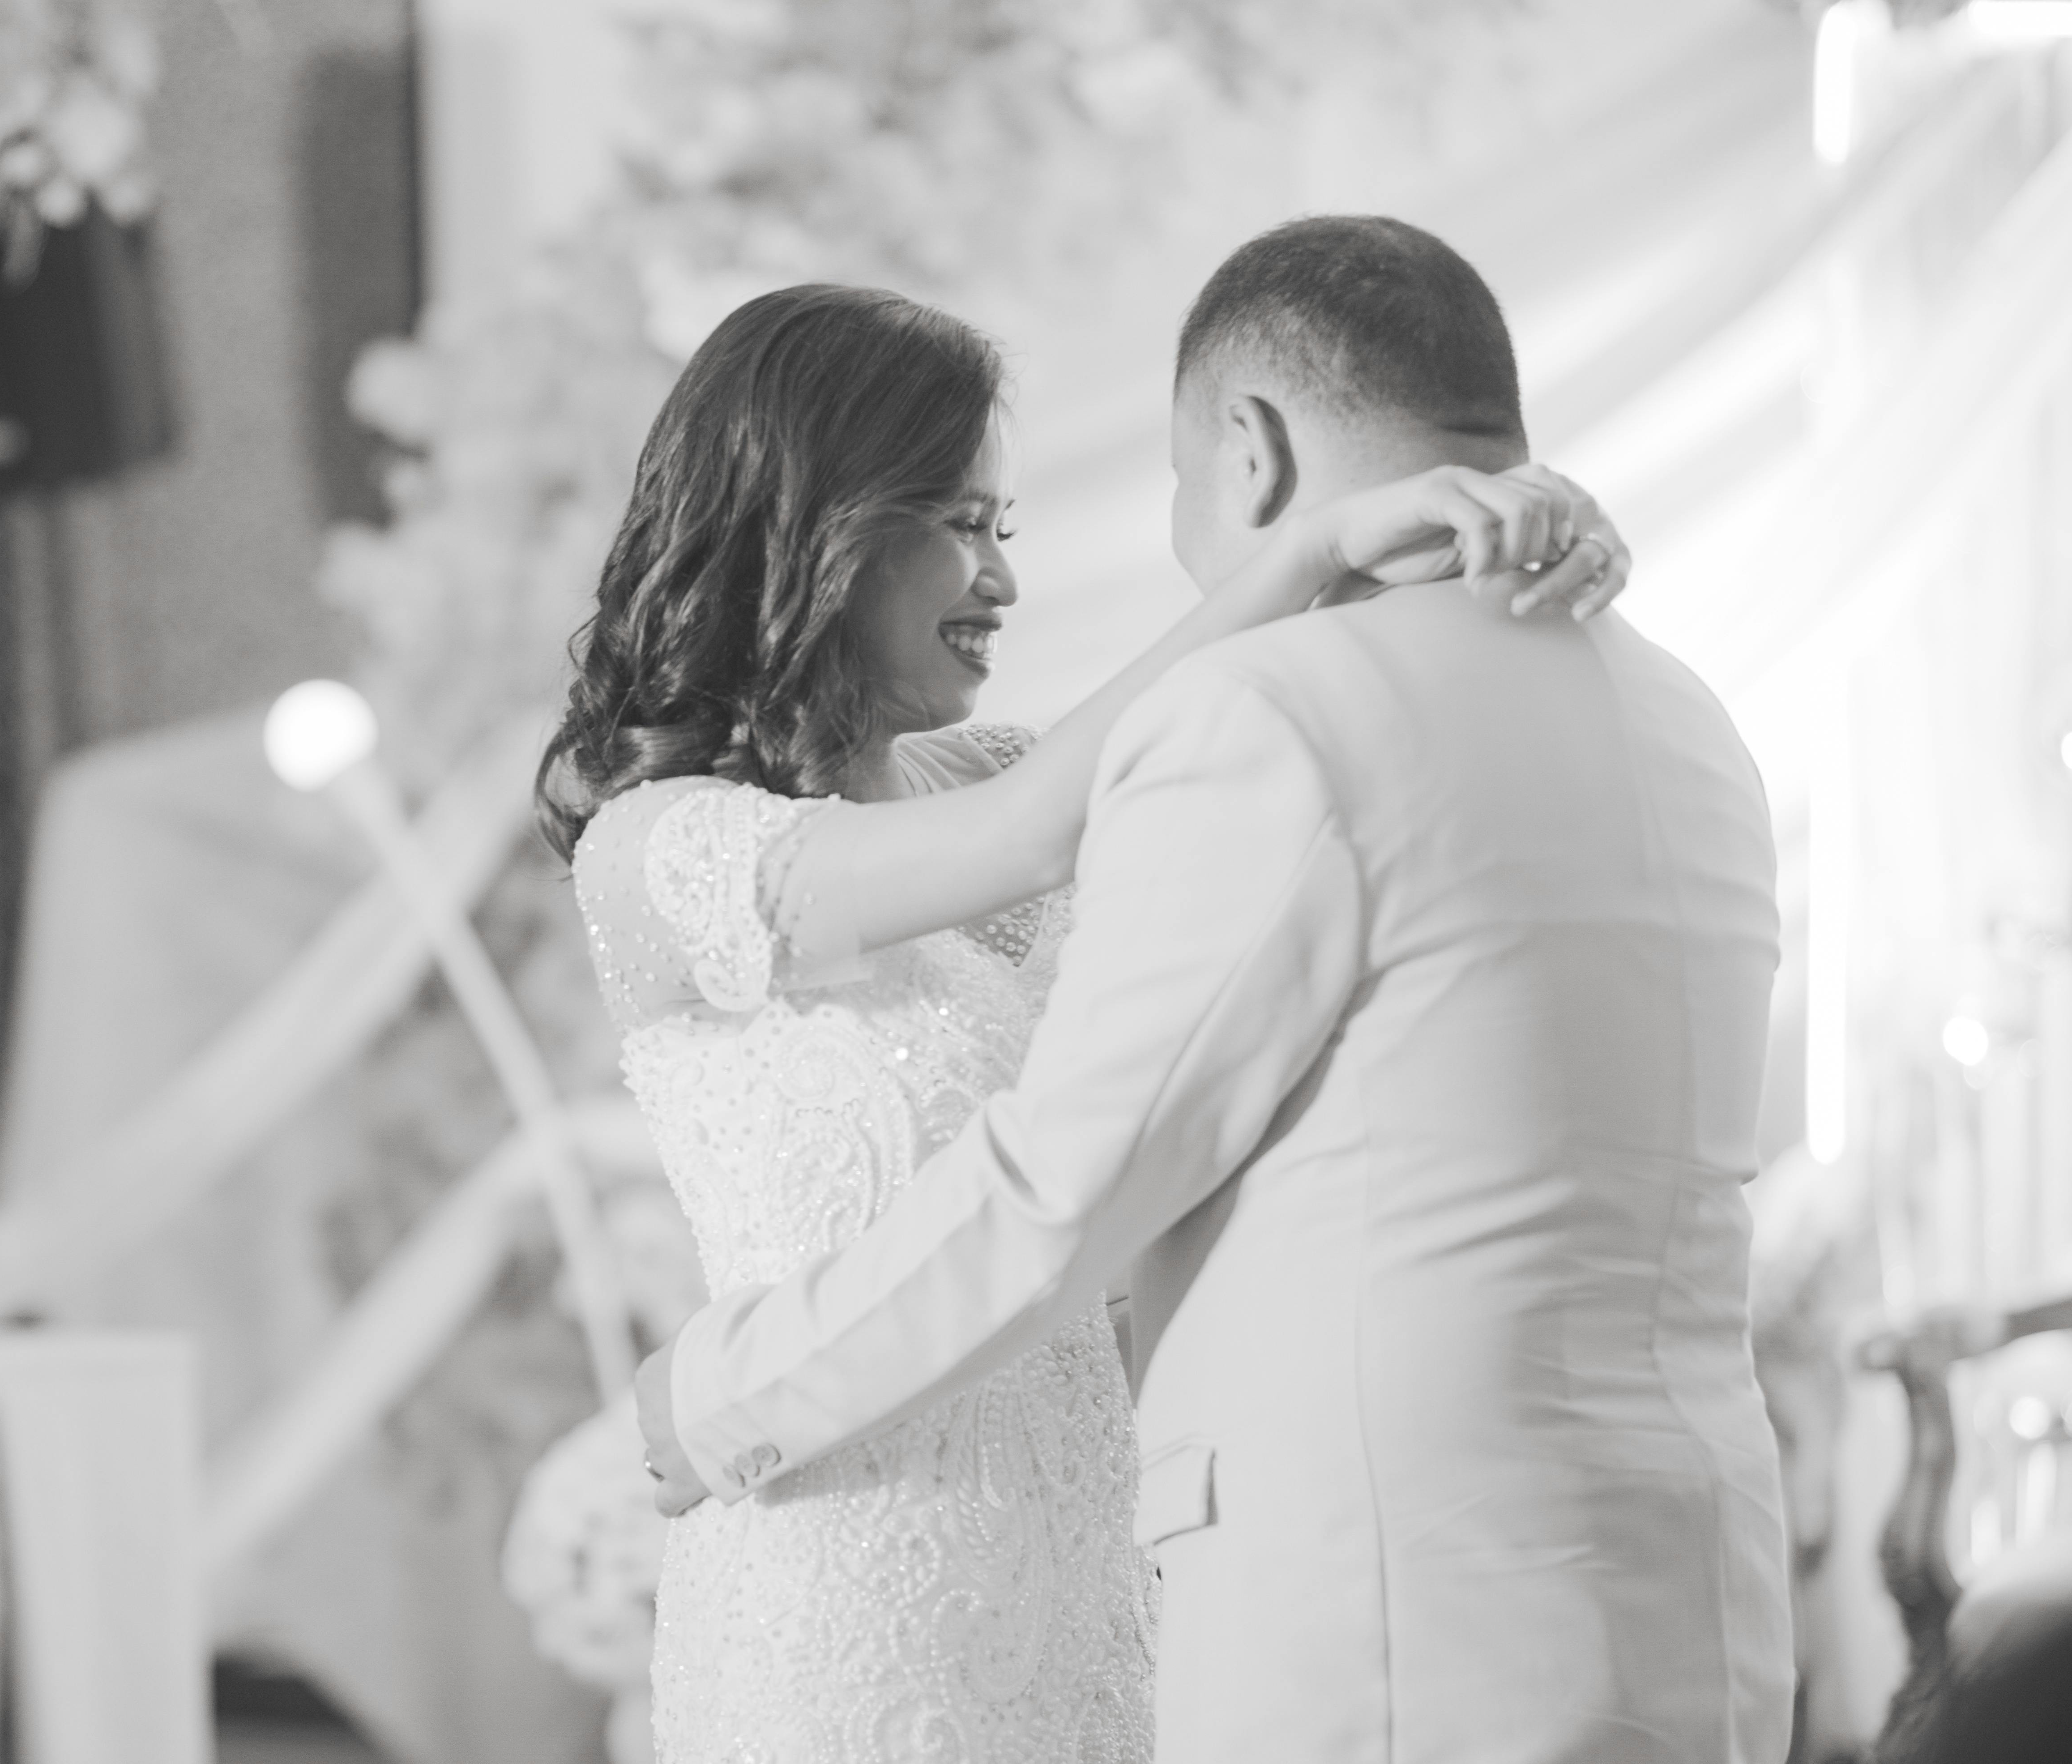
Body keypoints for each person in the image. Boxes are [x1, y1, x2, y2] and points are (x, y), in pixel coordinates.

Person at [634, 220, 1796, 1762]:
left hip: (1363, 1610)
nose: (999, 572)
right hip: (1674, 1591)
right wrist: (1323, 558)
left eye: (1006, 519)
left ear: (1243, 449)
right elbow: (1041, 816)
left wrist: (708, 1401)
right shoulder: (1683, 712)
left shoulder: (1261, 726)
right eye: (949, 518)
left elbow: (1069, 1184)